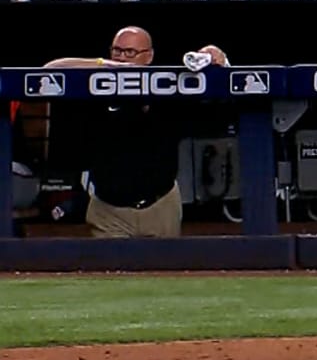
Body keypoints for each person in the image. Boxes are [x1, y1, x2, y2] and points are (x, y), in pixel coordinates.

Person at [43, 26, 228, 238]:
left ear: (148, 56)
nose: (122, 58)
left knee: (164, 269)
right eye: (117, 51)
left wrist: (215, 54)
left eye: (130, 52)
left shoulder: (168, 88)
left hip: (160, 207)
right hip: (109, 212)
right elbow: (50, 69)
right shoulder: (95, 87)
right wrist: (103, 65)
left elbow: (220, 99)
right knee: (112, 270)